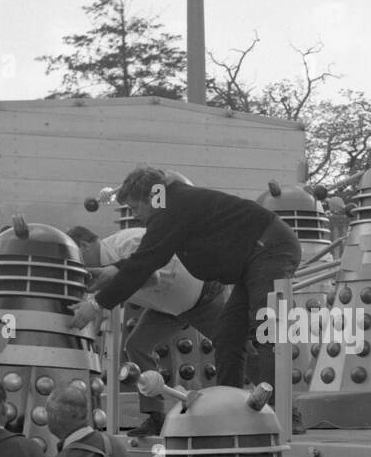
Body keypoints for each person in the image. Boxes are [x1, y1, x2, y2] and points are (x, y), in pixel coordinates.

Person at [80, 167, 302, 405]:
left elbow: (148, 259)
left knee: (265, 326)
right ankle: (229, 407)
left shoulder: (170, 208)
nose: (135, 216)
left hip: (270, 248)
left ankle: (282, 411)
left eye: (135, 208)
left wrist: (97, 304)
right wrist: (114, 269)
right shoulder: (172, 203)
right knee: (228, 335)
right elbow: (149, 254)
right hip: (254, 258)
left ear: (150, 198)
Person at [69, 224, 229, 436]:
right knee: (136, 346)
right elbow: (102, 306)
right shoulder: (102, 271)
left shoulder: (128, 242)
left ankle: (257, 405)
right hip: (169, 308)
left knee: (236, 346)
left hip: (205, 296)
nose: (79, 267)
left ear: (84, 246)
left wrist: (101, 301)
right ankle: (155, 417)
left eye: (75, 258)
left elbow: (151, 277)